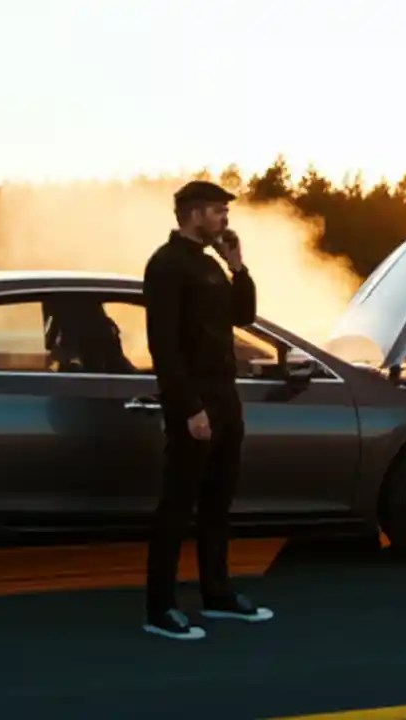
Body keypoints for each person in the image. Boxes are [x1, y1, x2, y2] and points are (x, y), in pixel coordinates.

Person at [140, 179, 274, 640]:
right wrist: (189, 408)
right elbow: (164, 345)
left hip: (224, 394)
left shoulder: (210, 265)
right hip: (193, 398)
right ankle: (160, 608)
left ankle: (217, 595)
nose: (225, 219)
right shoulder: (166, 265)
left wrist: (238, 267)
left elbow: (244, 317)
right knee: (177, 506)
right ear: (194, 214)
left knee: (219, 502)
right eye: (218, 211)